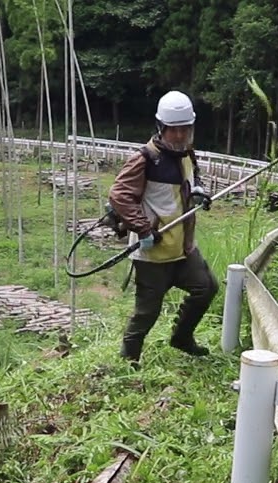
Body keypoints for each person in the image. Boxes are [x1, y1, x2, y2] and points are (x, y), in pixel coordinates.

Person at [108, 90, 218, 367]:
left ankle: (182, 337)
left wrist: (198, 192)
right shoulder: (145, 159)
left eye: (185, 129)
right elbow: (119, 195)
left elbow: (193, 178)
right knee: (146, 313)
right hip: (153, 254)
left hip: (182, 249)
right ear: (161, 127)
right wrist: (143, 229)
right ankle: (128, 361)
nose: (180, 135)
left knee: (206, 287)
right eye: (174, 130)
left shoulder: (187, 154)